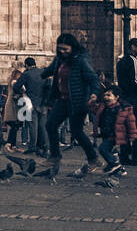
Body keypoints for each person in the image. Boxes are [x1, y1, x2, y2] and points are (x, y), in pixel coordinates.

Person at [40, 32, 102, 175]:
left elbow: (93, 79)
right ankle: (55, 156)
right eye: (60, 48)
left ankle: (93, 158)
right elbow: (50, 70)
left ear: (73, 48)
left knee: (77, 131)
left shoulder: (81, 60)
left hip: (78, 101)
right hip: (63, 99)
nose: (62, 51)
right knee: (50, 124)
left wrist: (94, 93)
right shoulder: (59, 60)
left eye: (65, 49)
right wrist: (38, 75)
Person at [17, 56, 46, 155]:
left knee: (33, 126)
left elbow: (17, 86)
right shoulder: (43, 72)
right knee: (42, 126)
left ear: (27, 65)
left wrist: (22, 92)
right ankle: (44, 146)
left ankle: (32, 146)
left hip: (31, 103)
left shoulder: (27, 74)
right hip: (43, 103)